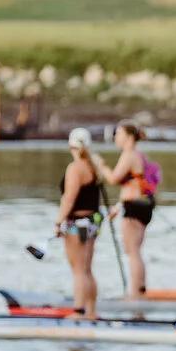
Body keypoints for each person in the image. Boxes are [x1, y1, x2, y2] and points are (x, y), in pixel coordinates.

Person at [108, 121, 160, 299]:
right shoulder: (138, 155)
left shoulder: (129, 155)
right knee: (135, 251)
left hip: (135, 207)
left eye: (118, 133)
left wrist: (99, 164)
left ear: (129, 136)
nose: (115, 137)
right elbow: (131, 186)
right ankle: (139, 291)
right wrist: (117, 207)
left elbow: (114, 179)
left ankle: (136, 294)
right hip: (138, 205)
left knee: (133, 251)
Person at [57, 127, 106, 318]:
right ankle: (91, 311)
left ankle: (78, 311)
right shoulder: (93, 166)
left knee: (78, 270)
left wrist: (58, 222)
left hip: (76, 224)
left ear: (71, 146)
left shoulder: (75, 168)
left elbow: (69, 199)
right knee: (87, 269)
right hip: (93, 222)